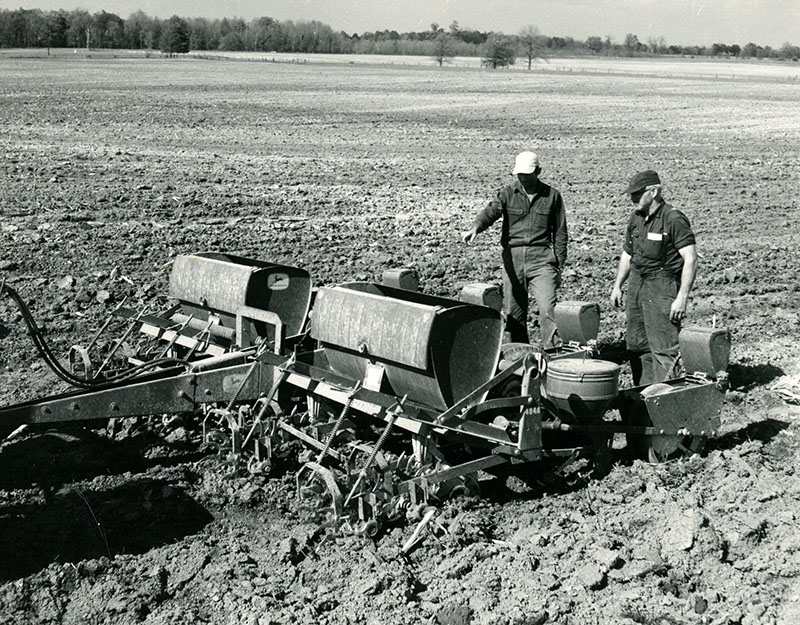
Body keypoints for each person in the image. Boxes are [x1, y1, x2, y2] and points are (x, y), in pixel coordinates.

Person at [462, 151, 568, 347]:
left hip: (542, 259)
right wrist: (476, 227)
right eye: (520, 174)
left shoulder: (552, 196)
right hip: (513, 258)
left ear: (538, 171)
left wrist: (559, 267)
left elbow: (560, 233)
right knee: (515, 311)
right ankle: (519, 355)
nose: (523, 178)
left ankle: (552, 353)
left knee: (548, 308)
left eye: (527, 174)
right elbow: (491, 211)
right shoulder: (508, 193)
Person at [610, 170, 698, 386]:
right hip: (638, 283)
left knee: (664, 346)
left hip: (662, 283)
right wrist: (617, 285)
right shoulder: (636, 218)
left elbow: (691, 259)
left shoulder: (673, 218)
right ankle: (643, 397)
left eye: (637, 194)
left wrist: (682, 297)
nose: (632, 199)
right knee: (637, 344)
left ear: (654, 191)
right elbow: (627, 254)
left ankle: (667, 399)